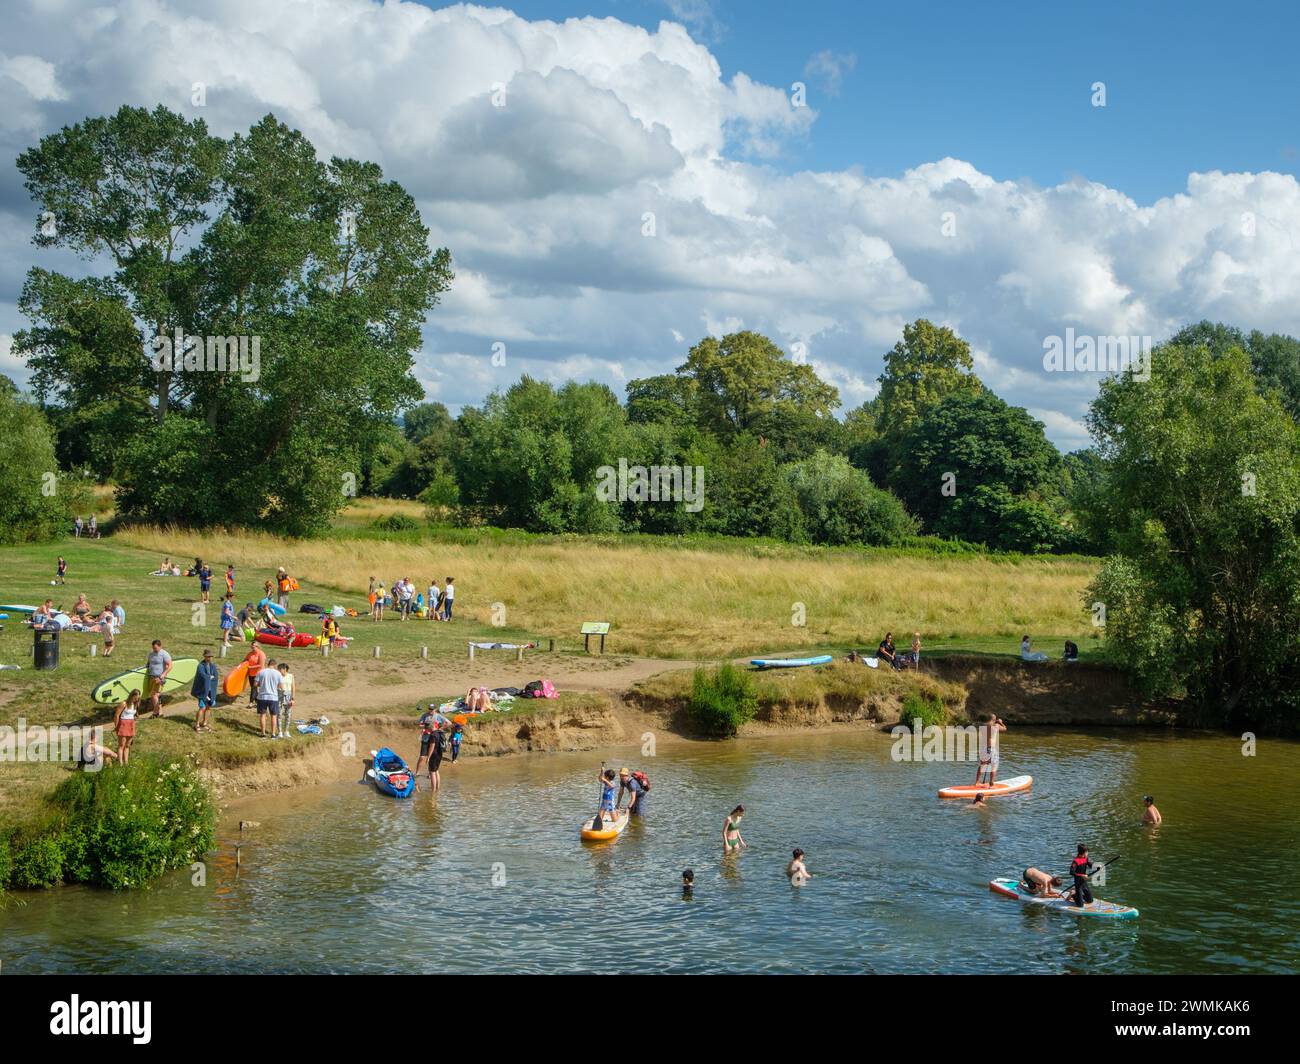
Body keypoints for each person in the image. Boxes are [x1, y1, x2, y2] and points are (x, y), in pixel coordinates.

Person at [414, 710, 446, 790]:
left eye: (428, 728)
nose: (427, 729)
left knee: (432, 773)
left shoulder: (432, 735)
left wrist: (428, 757)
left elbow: (432, 746)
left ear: (430, 727)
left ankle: (433, 791)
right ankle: (437, 789)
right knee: (436, 771)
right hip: (439, 754)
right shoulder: (439, 733)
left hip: (434, 755)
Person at [975, 713, 1006, 787]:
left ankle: (977, 782)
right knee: (994, 765)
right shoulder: (996, 725)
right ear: (994, 720)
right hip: (990, 748)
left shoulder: (983, 725)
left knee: (982, 764)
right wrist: (1000, 722)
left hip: (983, 747)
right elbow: (1005, 728)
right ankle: (991, 783)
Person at [255, 657, 283, 738]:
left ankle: (263, 733)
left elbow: (255, 684)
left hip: (262, 696)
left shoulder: (261, 672)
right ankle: (273, 734)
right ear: (274, 665)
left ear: (268, 664)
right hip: (273, 697)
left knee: (262, 715)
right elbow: (281, 686)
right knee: (273, 716)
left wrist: (262, 684)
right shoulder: (278, 673)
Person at [192, 649, 219, 733]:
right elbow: (203, 676)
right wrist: (209, 677)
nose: (209, 658)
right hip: (202, 690)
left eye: (210, 656)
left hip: (210, 691)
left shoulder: (213, 666)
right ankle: (196, 724)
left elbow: (216, 676)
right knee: (202, 707)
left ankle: (205, 723)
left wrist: (210, 677)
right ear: (204, 656)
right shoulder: (200, 666)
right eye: (208, 656)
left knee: (208, 707)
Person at [145, 640, 173, 718]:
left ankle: (155, 712)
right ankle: (160, 713)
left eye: (156, 648)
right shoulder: (151, 654)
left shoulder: (164, 654)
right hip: (151, 676)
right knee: (156, 695)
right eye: (153, 648)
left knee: (153, 694)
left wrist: (163, 675)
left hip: (159, 678)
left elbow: (170, 665)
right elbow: (148, 664)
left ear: (160, 646)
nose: (154, 649)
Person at [113, 690, 141, 764]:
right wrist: (116, 726)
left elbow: (135, 714)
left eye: (138, 698)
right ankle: (120, 763)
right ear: (132, 696)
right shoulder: (124, 703)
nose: (136, 700)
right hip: (123, 724)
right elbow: (116, 715)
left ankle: (126, 763)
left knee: (128, 745)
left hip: (131, 724)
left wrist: (135, 717)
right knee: (121, 745)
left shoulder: (135, 704)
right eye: (135, 698)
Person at [1069, 844, 1095, 909]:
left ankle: (1077, 895)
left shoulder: (1085, 858)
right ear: (1084, 852)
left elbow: (1091, 865)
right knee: (1080, 905)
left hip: (1084, 882)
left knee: (1090, 900)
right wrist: (1082, 875)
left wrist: (1097, 866)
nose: (1088, 853)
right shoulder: (1075, 861)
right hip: (1078, 884)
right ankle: (1073, 895)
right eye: (1087, 852)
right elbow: (1071, 872)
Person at [244, 642, 267, 707]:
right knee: (254, 688)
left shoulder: (261, 654)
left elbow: (261, 665)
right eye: (252, 646)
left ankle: (251, 702)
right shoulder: (250, 654)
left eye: (254, 646)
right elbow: (245, 660)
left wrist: (250, 667)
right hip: (251, 674)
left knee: (254, 688)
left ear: (258, 646)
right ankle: (257, 702)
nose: (252, 648)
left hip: (259, 674)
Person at [278, 662, 295, 738]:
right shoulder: (278, 676)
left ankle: (286, 731)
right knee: (279, 714)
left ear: (284, 669)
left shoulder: (291, 676)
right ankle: (280, 732)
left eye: (280, 669)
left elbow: (293, 687)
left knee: (288, 714)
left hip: (288, 696)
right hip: (279, 695)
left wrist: (293, 698)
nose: (278, 671)